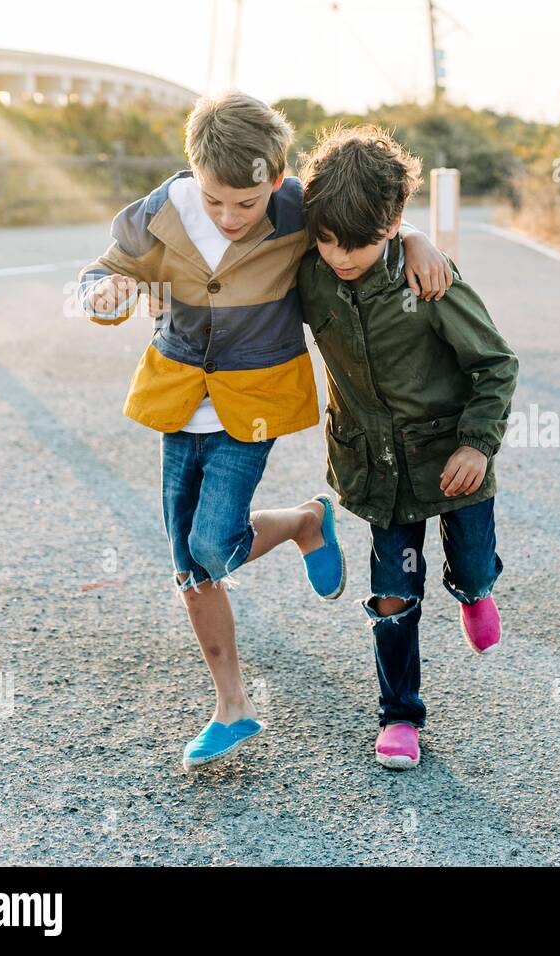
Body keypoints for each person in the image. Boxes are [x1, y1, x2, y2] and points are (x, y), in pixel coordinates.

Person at [75, 94, 453, 770]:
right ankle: (231, 706)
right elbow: (109, 268)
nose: (230, 215)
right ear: (194, 173)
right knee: (190, 567)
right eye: (217, 200)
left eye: (246, 204)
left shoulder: (297, 209)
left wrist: (416, 238)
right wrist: (103, 294)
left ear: (276, 179)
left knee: (213, 549)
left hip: (251, 407)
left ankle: (306, 520)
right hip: (176, 398)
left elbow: (367, 220)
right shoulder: (161, 211)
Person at [296, 124, 519, 769]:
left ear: (393, 223)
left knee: (471, 566)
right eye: (329, 241)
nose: (341, 256)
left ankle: (475, 591)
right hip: (377, 469)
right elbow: (250, 203)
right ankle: (401, 716)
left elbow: (496, 364)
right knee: (394, 595)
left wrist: (478, 445)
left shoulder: (429, 279)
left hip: (454, 463)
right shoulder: (311, 272)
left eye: (359, 244)